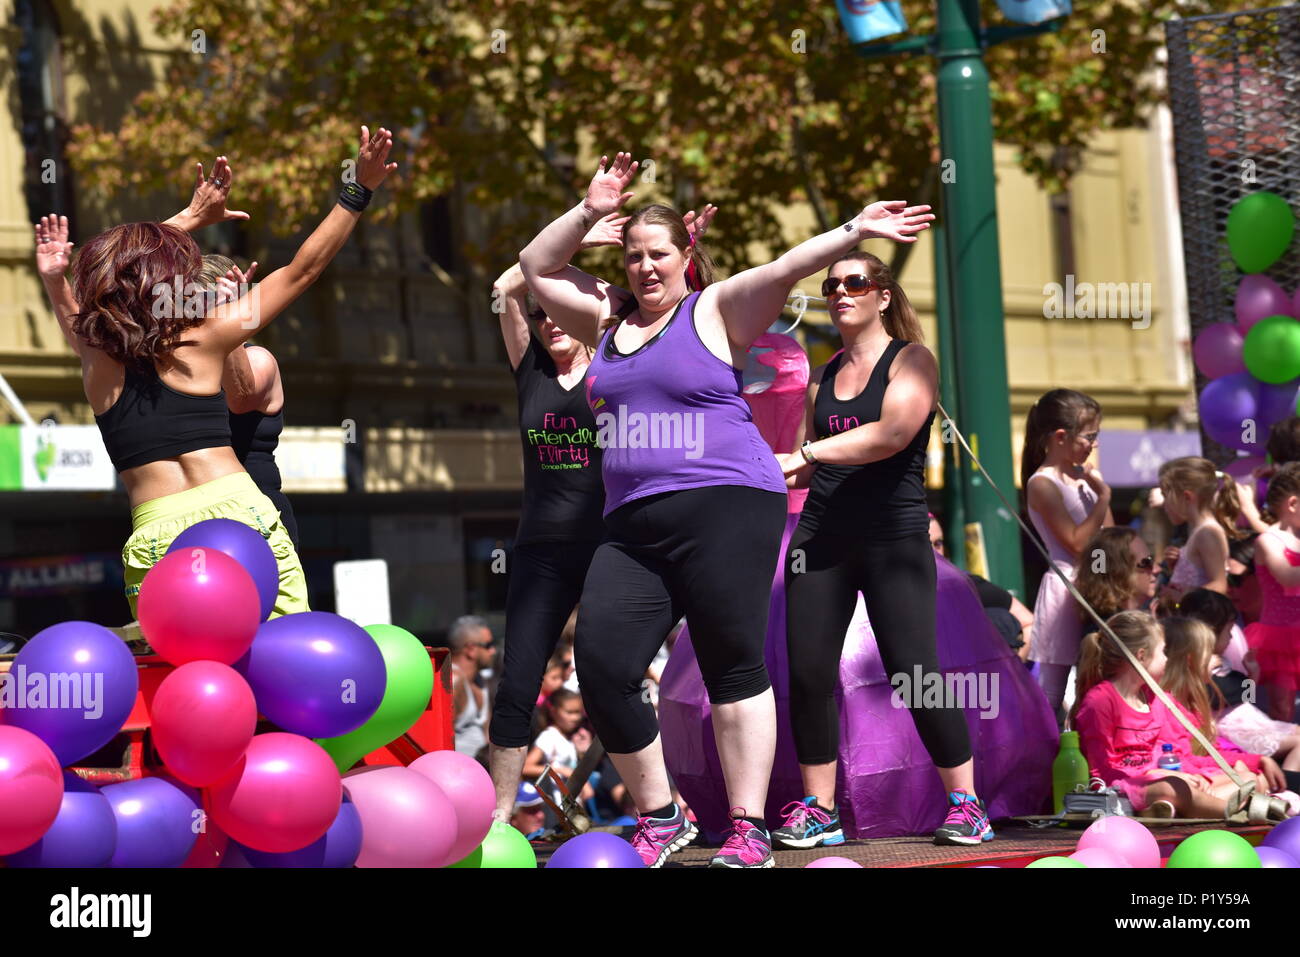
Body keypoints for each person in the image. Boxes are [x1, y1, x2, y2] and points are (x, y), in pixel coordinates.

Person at [520, 151, 932, 867]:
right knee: (603, 662)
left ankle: (747, 827)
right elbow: (534, 264)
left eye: (660, 254)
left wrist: (853, 229)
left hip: (727, 504)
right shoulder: (603, 322)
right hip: (633, 522)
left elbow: (783, 268)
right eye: (635, 255)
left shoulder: (712, 310)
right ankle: (659, 813)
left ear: (685, 257)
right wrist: (591, 211)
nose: (647, 267)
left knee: (731, 663)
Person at [33, 135, 395, 618]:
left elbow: (116, 273)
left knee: (184, 680)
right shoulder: (207, 338)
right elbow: (302, 270)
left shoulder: (97, 356)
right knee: (284, 662)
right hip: (236, 514)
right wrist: (357, 192)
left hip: (156, 530)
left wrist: (56, 280)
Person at [486, 207, 714, 824]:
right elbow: (507, 286)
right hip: (541, 550)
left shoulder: (614, 360)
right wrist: (576, 239)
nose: (546, 322)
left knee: (627, 678)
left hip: (616, 545)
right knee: (517, 683)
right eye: (539, 315)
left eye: (553, 311)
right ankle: (501, 819)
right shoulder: (528, 370)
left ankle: (671, 806)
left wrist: (570, 273)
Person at [772, 251, 987, 847]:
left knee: (914, 671)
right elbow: (805, 465)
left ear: (883, 295)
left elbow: (892, 434)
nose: (841, 292)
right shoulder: (822, 376)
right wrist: (755, 468)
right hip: (821, 536)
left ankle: (966, 803)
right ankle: (819, 810)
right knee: (809, 673)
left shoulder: (912, 360)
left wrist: (807, 456)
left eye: (856, 282)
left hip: (893, 537)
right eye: (831, 284)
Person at [1071, 611, 1288, 819]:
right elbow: (1101, 774)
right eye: (1163, 651)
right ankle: (1239, 812)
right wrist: (1159, 776)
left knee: (1248, 779)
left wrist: (1253, 761)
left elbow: (1178, 754)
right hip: (1128, 789)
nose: (1167, 659)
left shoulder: (1157, 698)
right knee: (1172, 788)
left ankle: (1177, 809)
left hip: (1170, 782)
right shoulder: (1100, 701)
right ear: (1142, 656)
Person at [1020, 389, 1113, 723]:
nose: (1094, 444)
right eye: (1090, 436)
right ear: (1061, 436)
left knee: (1104, 678)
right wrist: (1102, 498)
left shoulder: (1083, 478)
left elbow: (1110, 538)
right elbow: (1076, 542)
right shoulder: (1042, 483)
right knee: (1053, 691)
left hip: (1101, 587)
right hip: (1067, 586)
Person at [196, 255, 301, 550]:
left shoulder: (259, 360)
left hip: (256, 526)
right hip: (197, 523)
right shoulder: (181, 367)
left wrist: (224, 317)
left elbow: (239, 398)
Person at [1165, 597, 1300, 787]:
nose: (1231, 637)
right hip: (1238, 730)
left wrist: (1253, 673)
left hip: (1256, 722)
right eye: (1228, 631)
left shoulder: (1222, 664)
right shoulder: (1203, 675)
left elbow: (1247, 699)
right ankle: (1284, 783)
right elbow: (1223, 698)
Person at [929, 512, 1034, 661]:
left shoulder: (965, 584)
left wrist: (1013, 669)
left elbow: (1030, 623)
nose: (934, 552)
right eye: (925, 544)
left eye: (938, 543)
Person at [1247, 464, 1300, 721]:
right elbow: (1288, 577)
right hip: (1280, 638)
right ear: (1292, 504)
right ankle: (1283, 758)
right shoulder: (1269, 540)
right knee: (1282, 708)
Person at [1157, 457, 1243, 607]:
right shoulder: (1198, 531)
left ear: (1187, 497)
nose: (1164, 504)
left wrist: (1179, 596)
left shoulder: (1207, 533)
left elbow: (1219, 585)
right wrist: (1177, 567)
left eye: (1166, 496)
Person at [522, 688, 596, 807]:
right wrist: (562, 771)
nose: (575, 718)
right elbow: (526, 767)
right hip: (555, 805)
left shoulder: (569, 737)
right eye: (570, 712)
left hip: (571, 807)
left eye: (578, 712)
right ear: (554, 712)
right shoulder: (549, 736)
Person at [1073, 526, 1159, 621]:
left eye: (1152, 559)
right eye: (1146, 562)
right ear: (1119, 572)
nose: (1157, 569)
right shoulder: (1111, 631)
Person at [448, 615, 496, 760]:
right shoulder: (451, 682)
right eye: (488, 645)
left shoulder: (480, 680)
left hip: (480, 772)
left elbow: (487, 734)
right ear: (471, 649)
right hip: (455, 774)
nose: (493, 651)